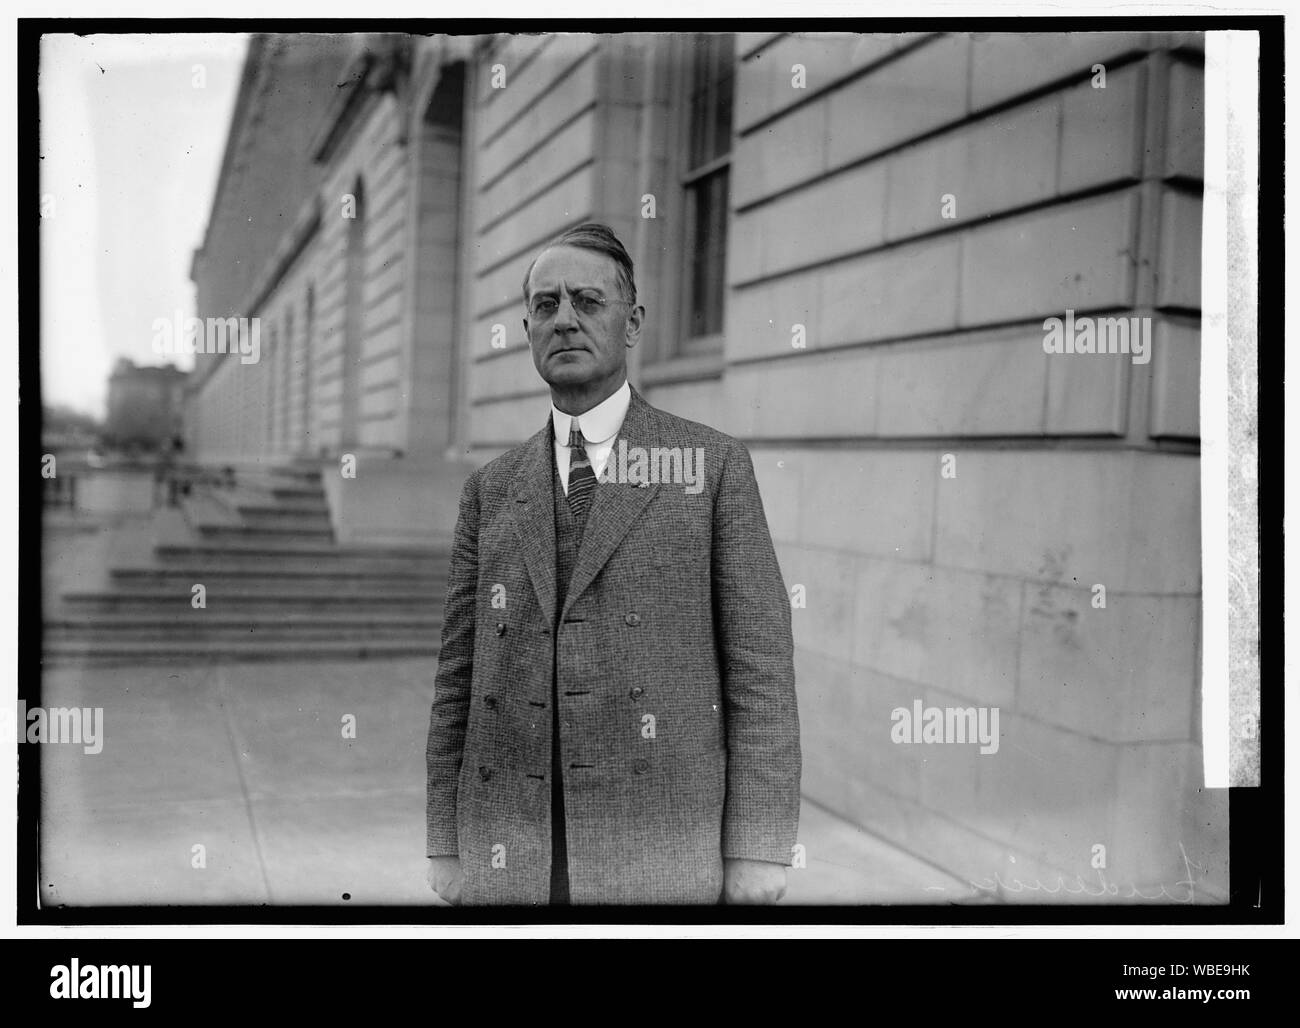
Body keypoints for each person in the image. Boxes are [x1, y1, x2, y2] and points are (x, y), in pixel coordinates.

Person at [425, 223, 800, 905]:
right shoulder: (491, 488)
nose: (564, 320)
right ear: (528, 327)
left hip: (657, 850)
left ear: (632, 324)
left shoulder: (709, 467)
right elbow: (458, 676)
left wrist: (758, 847)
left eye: (588, 302)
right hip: (514, 853)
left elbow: (760, 671)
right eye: (545, 305)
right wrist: (445, 841)